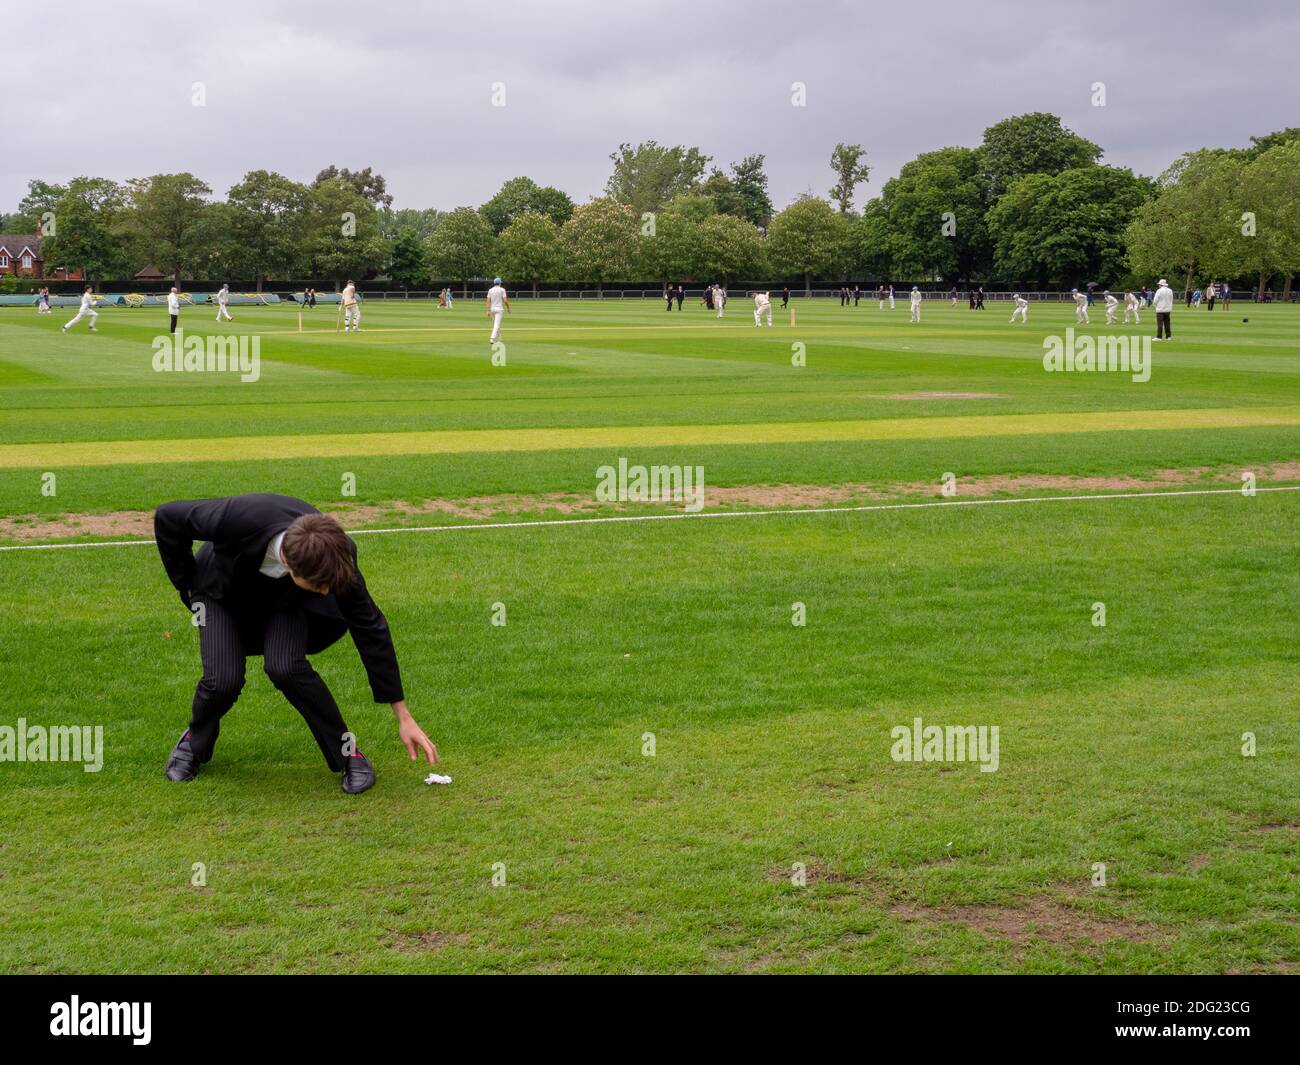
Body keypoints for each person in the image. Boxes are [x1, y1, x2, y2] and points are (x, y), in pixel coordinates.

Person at [154, 494, 439, 794]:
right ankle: (193, 744)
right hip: (218, 591)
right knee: (222, 680)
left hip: (284, 601)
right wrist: (187, 582)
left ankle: (348, 753)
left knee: (286, 667)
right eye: (320, 587)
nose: (328, 592)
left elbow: (369, 625)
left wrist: (402, 715)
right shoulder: (239, 517)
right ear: (290, 564)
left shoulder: (336, 554)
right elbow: (168, 516)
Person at [486, 276, 509, 342]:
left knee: (496, 324)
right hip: (499, 309)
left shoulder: (490, 290)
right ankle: (492, 338)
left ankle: (499, 338)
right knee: (496, 325)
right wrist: (508, 308)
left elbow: (488, 301)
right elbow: (505, 300)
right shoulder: (502, 289)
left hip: (492, 309)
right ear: (499, 283)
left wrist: (487, 310)